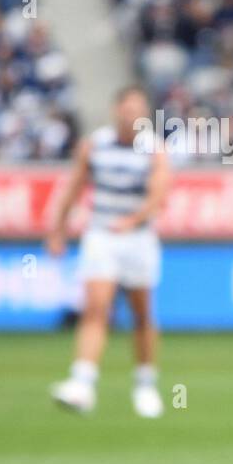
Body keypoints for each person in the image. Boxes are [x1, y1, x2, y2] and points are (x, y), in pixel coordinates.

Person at [47, 86, 169, 418]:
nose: (132, 115)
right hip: (101, 235)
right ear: (116, 110)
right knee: (96, 308)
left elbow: (158, 196)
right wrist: (57, 230)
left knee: (142, 313)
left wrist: (131, 221)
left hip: (139, 238)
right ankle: (82, 383)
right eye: (127, 109)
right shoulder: (95, 145)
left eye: (138, 109)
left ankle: (145, 384)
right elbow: (73, 187)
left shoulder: (153, 150)